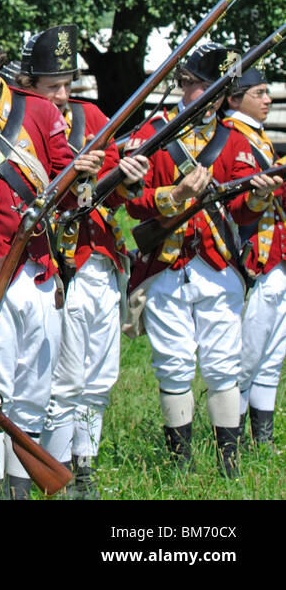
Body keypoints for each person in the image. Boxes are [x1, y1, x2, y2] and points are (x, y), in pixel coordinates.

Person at [0, 13, 102, 498]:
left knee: (33, 388)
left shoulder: (39, 112)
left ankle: (18, 487)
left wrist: (81, 175)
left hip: (39, 271)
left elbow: (69, 197)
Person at [125, 43, 273, 476]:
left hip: (219, 264)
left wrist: (260, 196)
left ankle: (229, 463)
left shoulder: (236, 139)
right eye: (193, 85)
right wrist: (178, 195)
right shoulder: (154, 135)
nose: (199, 95)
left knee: (223, 365)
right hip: (168, 268)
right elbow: (135, 207)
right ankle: (180, 465)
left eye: (209, 89)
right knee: (173, 365)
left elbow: (244, 212)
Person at [17, 25, 149, 497]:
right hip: (57, 263)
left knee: (101, 375)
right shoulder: (20, 120)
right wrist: (73, 176)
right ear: (28, 85)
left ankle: (85, 462)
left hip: (102, 261)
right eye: (52, 86)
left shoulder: (90, 116)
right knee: (66, 377)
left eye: (66, 84)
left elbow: (117, 191)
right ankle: (58, 468)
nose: (62, 95)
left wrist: (127, 176)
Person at [223, 69, 286, 450]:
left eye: (268, 93)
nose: (268, 100)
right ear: (234, 98)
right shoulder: (234, 136)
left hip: (275, 255)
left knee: (272, 350)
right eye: (259, 93)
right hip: (252, 258)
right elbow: (240, 205)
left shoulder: (257, 137)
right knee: (248, 354)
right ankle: (233, 437)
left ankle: (263, 440)